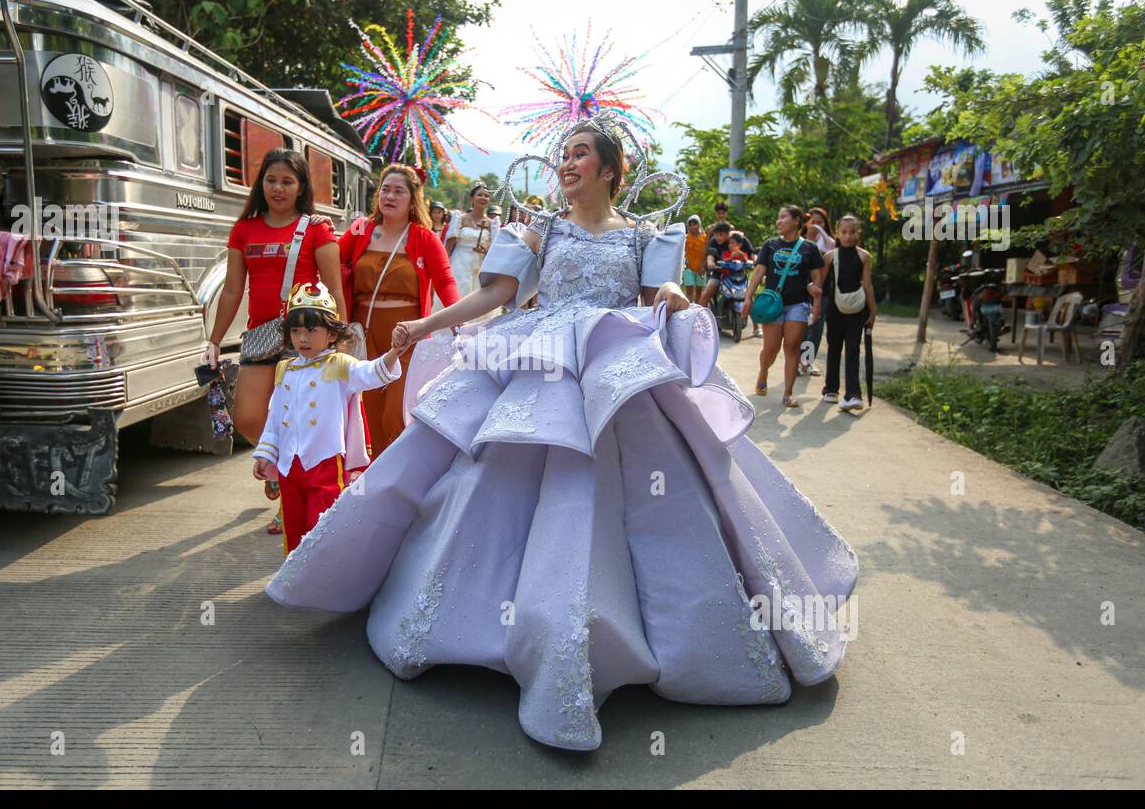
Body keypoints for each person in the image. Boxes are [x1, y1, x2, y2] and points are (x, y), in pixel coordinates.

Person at [264, 112, 857, 752]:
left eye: (579, 154)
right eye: (563, 154)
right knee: (490, 477)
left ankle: (646, 630)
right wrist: (429, 325)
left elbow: (661, 288)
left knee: (651, 492)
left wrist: (677, 302)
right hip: (540, 359)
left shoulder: (644, 234)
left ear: (607, 170)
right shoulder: (540, 229)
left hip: (615, 366)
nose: (567, 163)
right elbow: (494, 296)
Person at [204, 148, 337, 537]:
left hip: (306, 337)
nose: (278, 188)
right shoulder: (244, 229)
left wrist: (339, 337)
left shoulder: (317, 229)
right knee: (247, 416)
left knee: (301, 421)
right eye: (271, 179)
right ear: (261, 183)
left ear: (301, 187)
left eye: (287, 181)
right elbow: (231, 290)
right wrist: (214, 340)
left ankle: (292, 498)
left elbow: (333, 288)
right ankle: (278, 468)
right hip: (260, 334)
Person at [252, 282, 402, 555]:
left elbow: (371, 373)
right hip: (290, 463)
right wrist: (267, 452)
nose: (303, 338)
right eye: (296, 331)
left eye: (311, 330)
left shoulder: (339, 365)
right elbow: (276, 417)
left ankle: (321, 582)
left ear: (332, 334)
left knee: (320, 525)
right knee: (294, 524)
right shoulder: (285, 369)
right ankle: (294, 580)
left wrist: (394, 352)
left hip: (325, 461)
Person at [338, 163, 460, 458]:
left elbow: (445, 282)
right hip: (363, 332)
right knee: (370, 411)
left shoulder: (424, 237)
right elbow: (333, 263)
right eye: (385, 189)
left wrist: (460, 322)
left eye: (398, 191)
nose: (389, 196)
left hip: (406, 336)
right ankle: (379, 480)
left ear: (412, 198)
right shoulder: (360, 230)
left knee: (395, 413)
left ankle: (401, 476)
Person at [742, 205, 825, 408]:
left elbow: (817, 280)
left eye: (783, 217)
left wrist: (816, 305)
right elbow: (759, 273)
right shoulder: (770, 245)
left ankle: (788, 393)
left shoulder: (809, 248)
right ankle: (764, 371)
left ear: (796, 221)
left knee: (792, 346)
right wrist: (748, 297)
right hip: (773, 303)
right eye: (778, 218)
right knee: (771, 349)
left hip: (798, 304)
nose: (779, 221)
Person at [821, 214, 877, 411]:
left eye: (852, 232)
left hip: (857, 309)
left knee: (854, 349)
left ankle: (853, 394)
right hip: (835, 310)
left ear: (858, 233)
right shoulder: (829, 257)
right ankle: (831, 389)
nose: (848, 236)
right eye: (844, 232)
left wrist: (873, 310)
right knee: (833, 347)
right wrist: (817, 306)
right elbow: (820, 284)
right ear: (837, 233)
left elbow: (868, 285)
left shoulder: (864, 256)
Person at [438, 180, 500, 318]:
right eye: (480, 195)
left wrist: (486, 251)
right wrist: (443, 269)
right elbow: (449, 245)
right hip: (460, 264)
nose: (483, 198)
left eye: (486, 195)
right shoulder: (460, 219)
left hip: (481, 266)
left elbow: (496, 251)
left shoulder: (492, 224)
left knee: (480, 303)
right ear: (472, 198)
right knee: (458, 298)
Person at [799, 206, 837, 377]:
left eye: (819, 222)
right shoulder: (799, 243)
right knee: (800, 327)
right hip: (800, 291)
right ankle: (797, 361)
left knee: (816, 328)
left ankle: (807, 361)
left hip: (823, 292)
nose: (816, 225)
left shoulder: (832, 244)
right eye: (812, 222)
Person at [682, 214, 708, 305]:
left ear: (699, 225)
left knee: (699, 291)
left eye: (695, 224)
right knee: (689, 290)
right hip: (688, 268)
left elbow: (707, 253)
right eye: (690, 224)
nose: (693, 226)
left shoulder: (705, 237)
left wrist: (704, 266)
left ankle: (697, 309)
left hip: (701, 268)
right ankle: (688, 309)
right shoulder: (685, 238)